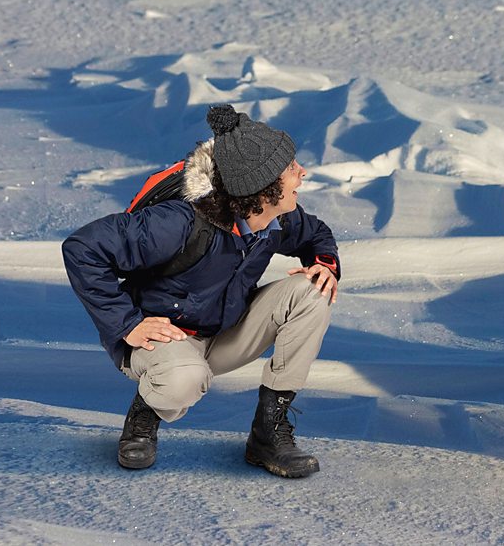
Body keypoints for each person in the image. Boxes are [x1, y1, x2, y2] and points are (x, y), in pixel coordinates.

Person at [62, 104, 340, 478]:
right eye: (290, 168)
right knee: (183, 380)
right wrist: (126, 324)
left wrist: (325, 265)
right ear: (263, 187)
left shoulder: (276, 217)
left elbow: (316, 235)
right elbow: (83, 248)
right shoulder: (176, 223)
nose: (302, 173)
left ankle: (267, 434)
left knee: (311, 291)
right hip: (160, 342)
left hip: (225, 331)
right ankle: (146, 411)